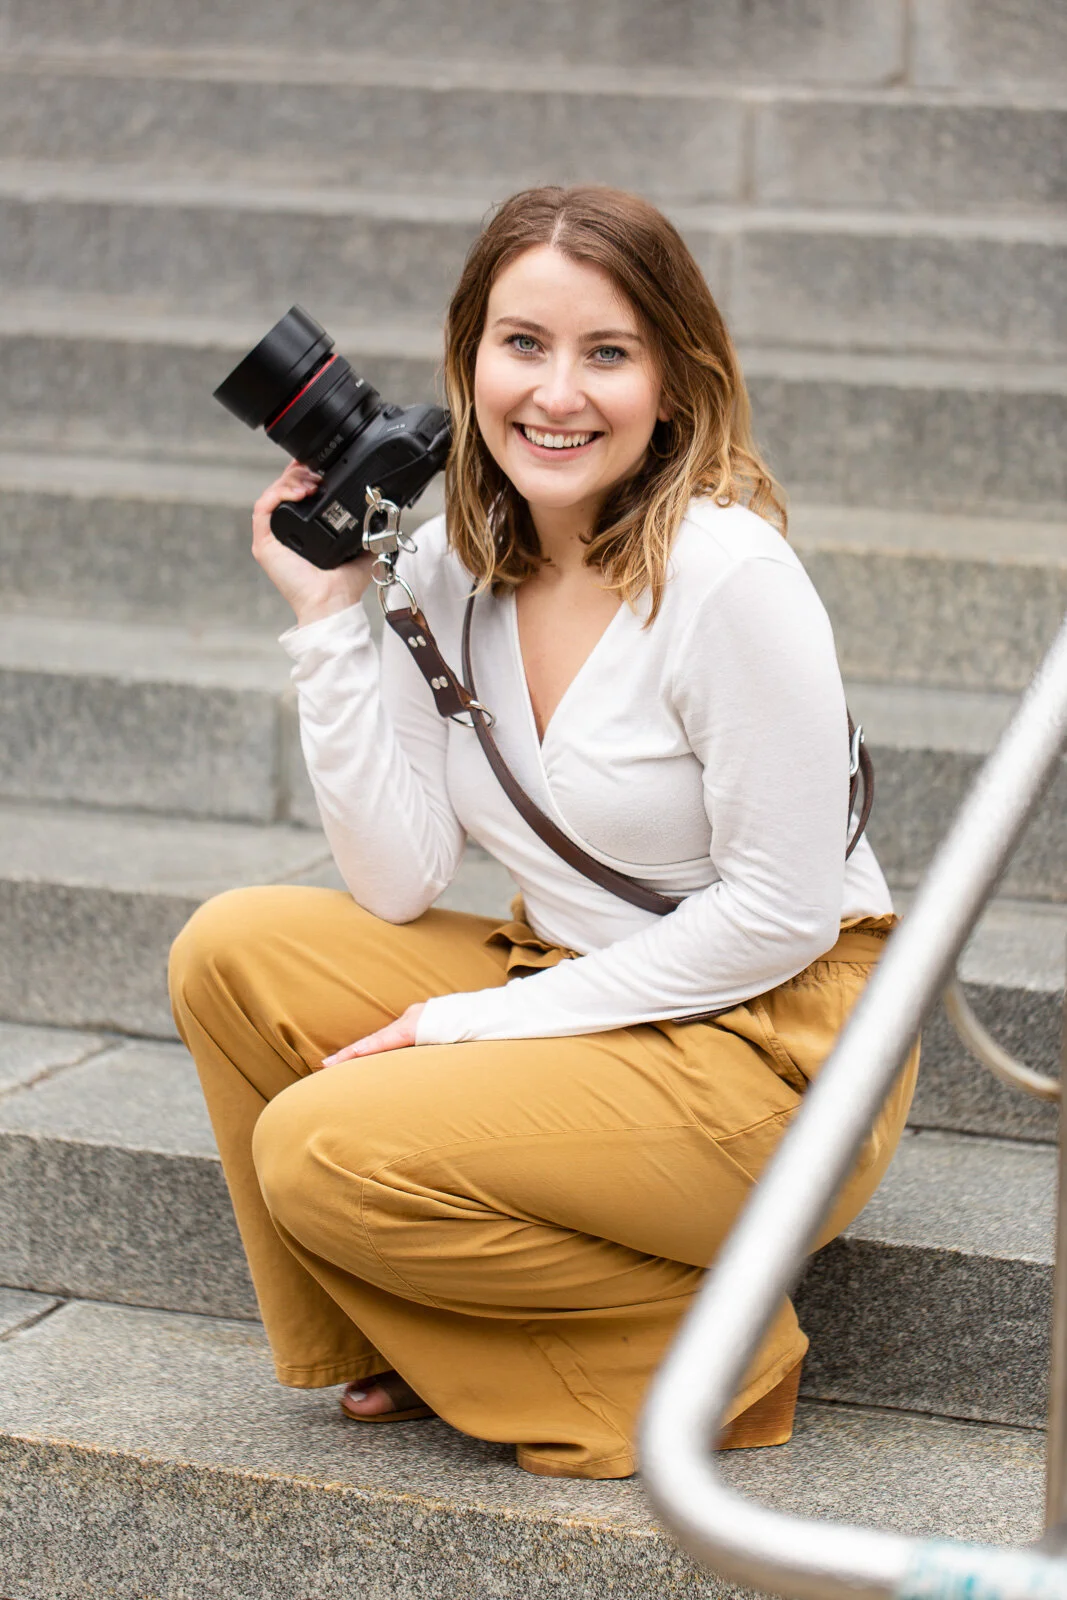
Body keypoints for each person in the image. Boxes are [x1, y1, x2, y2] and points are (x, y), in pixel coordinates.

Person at [169, 185, 919, 1482]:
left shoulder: (725, 577)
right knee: (234, 948)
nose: (555, 394)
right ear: (467, 361)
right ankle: (397, 1336)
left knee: (322, 1145)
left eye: (606, 353)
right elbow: (394, 876)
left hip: (773, 1050)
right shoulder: (455, 563)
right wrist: (328, 620)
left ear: (673, 382)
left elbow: (778, 916)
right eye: (522, 345)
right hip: (577, 987)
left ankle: (693, 1367)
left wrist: (466, 1025)